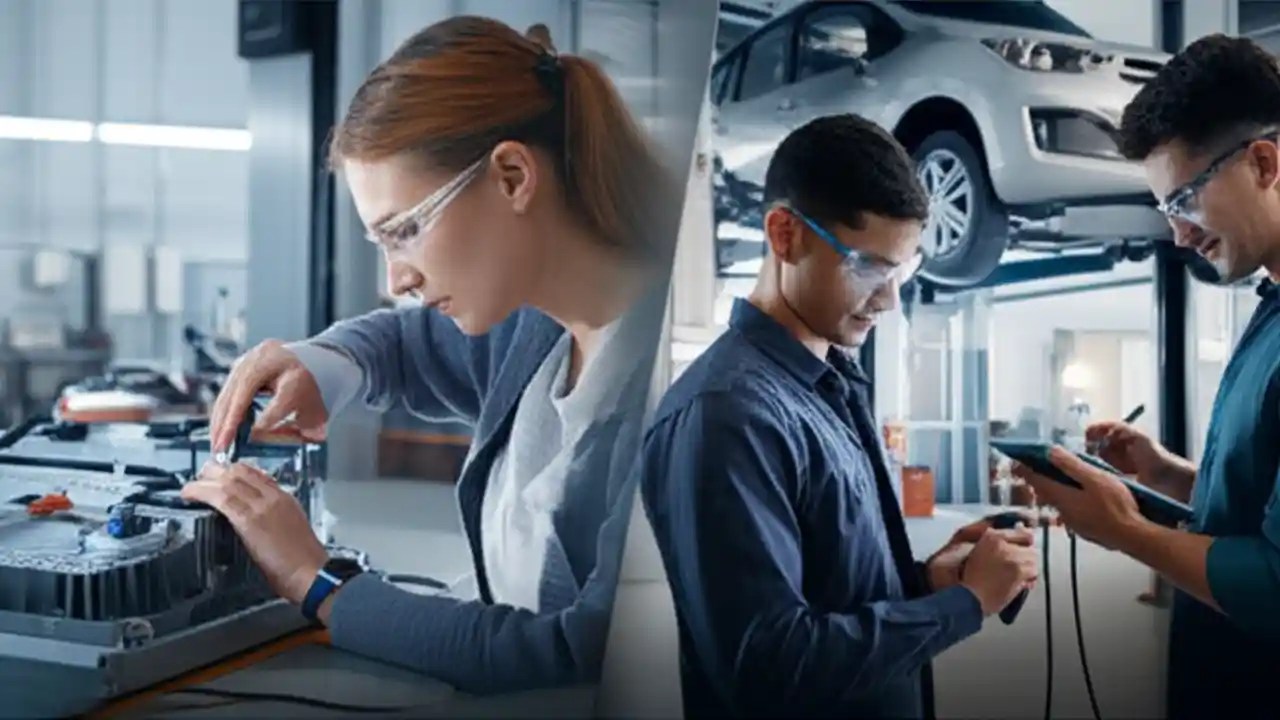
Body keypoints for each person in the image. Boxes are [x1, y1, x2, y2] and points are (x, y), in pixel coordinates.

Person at [180, 16, 674, 693]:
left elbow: (571, 654)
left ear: (511, 176)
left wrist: (315, 580)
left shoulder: (666, 401)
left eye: (406, 230)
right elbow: (403, 344)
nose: (397, 279)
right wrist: (319, 363)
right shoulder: (535, 331)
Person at [637, 114, 1040, 719]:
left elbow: (835, 599)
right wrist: (966, 605)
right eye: (870, 268)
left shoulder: (830, 386)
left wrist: (929, 584)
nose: (890, 298)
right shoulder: (727, 415)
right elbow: (769, 668)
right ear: (785, 235)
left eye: (903, 271)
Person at [1016, 34, 1280, 720]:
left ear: (1264, 163)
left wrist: (1125, 531)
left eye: (1185, 200)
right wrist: (1168, 477)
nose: (1179, 234)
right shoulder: (1270, 311)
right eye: (1168, 210)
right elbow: (1257, 511)